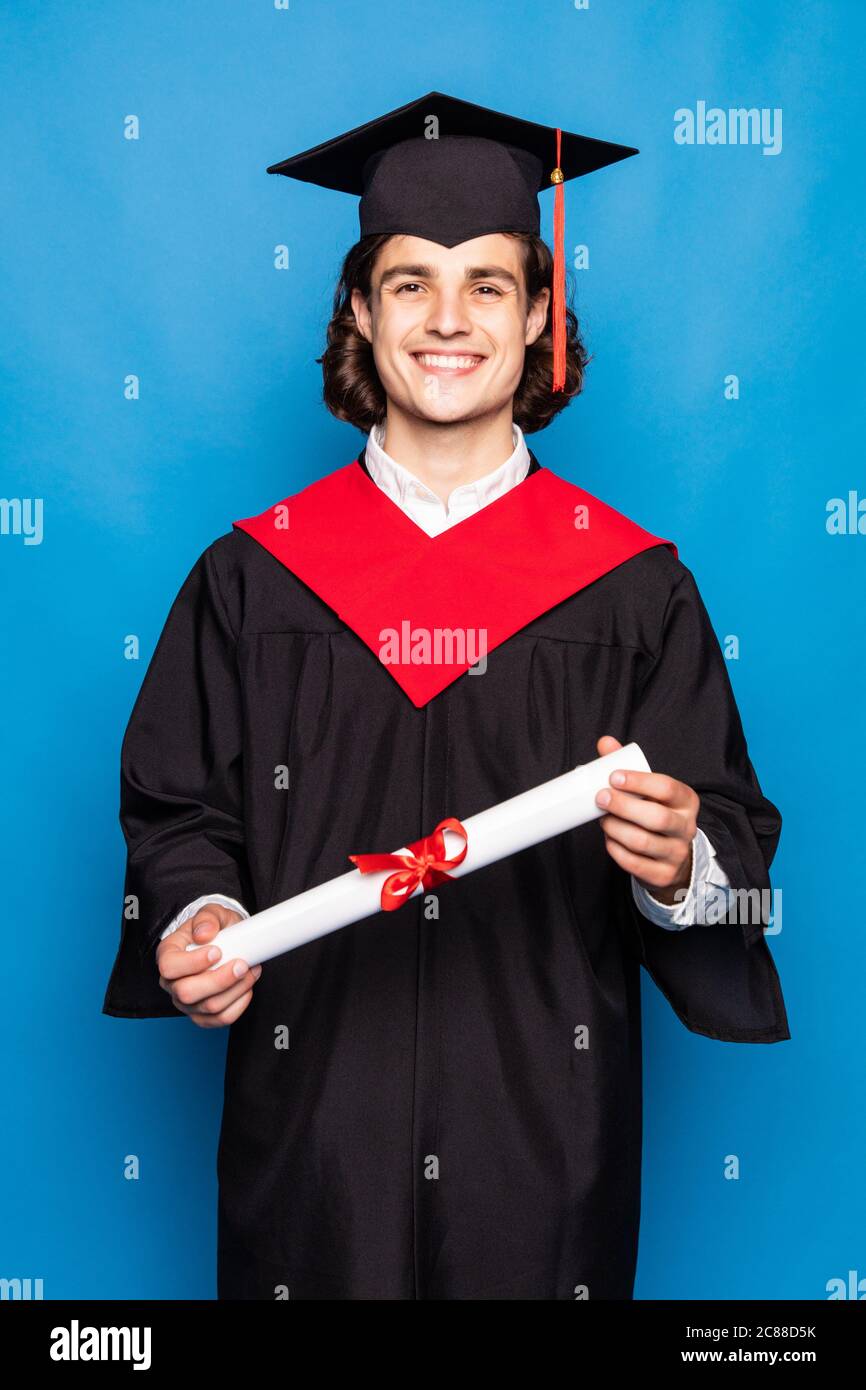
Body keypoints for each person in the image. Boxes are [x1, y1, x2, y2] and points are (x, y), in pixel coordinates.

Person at [102, 91, 789, 1301]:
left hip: (544, 1138)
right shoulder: (252, 577)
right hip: (312, 1125)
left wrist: (684, 869)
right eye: (409, 282)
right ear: (359, 314)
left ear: (537, 318)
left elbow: (735, 861)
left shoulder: (630, 588)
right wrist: (193, 916)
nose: (446, 318)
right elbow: (178, 814)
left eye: (486, 284)